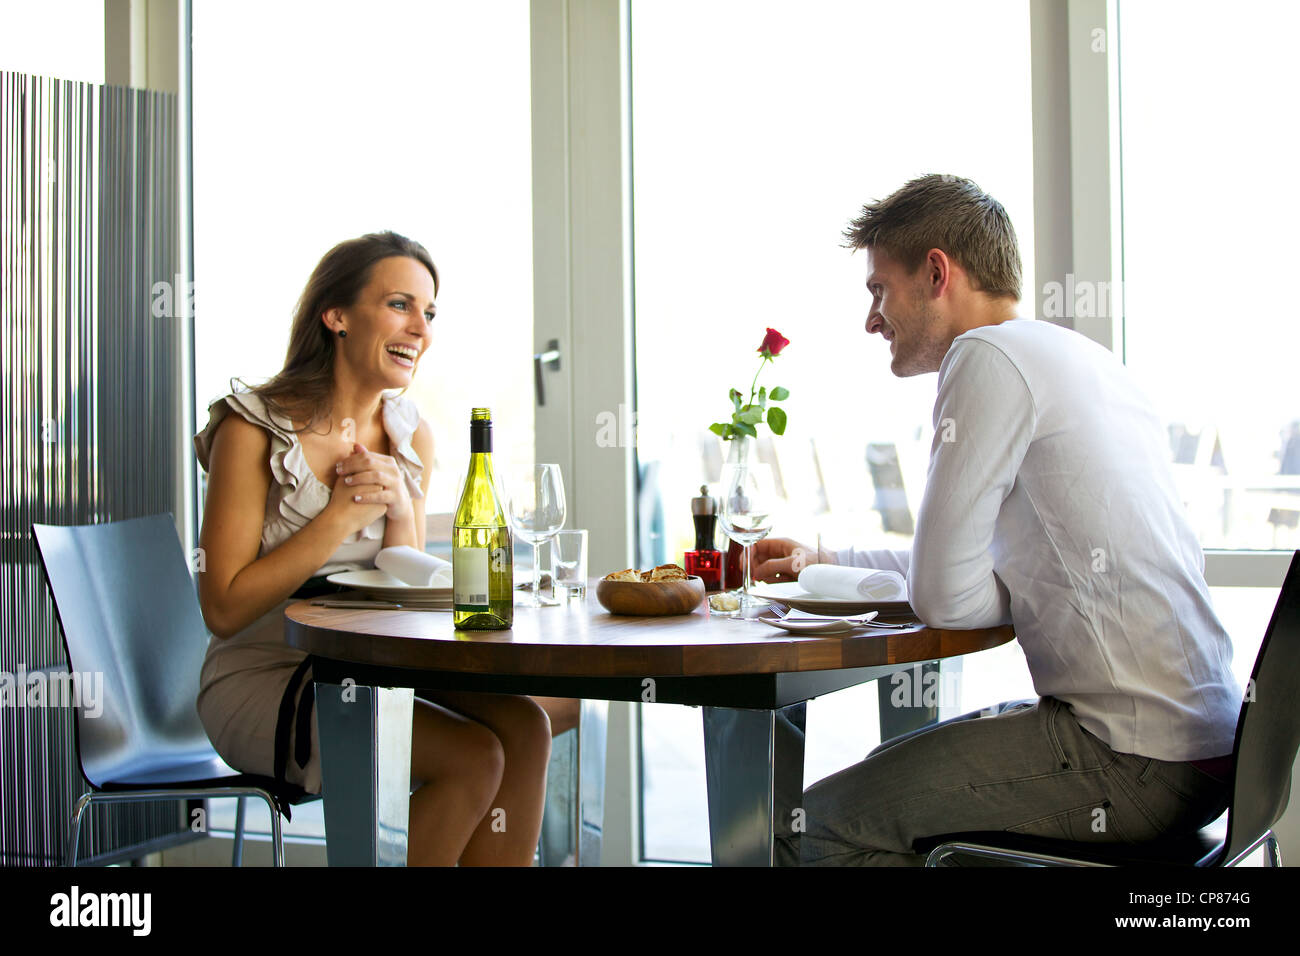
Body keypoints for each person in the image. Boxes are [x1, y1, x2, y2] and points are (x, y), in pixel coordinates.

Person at [753, 175, 1242, 866]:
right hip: (1207, 754)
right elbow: (954, 573)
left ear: (935, 272)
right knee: (883, 771)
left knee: (802, 828)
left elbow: (945, 597)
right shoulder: (1081, 360)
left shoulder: (986, 357)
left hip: (1130, 759)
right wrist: (823, 560)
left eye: (878, 290)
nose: (871, 319)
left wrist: (974, 584)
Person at [194, 231, 555, 865]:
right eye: (400, 305)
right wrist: (337, 519)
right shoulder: (251, 429)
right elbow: (223, 609)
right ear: (335, 316)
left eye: (429, 312)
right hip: (270, 675)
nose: (421, 328)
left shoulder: (409, 434)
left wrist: (397, 514)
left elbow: (404, 591)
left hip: (374, 671)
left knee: (526, 726)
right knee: (473, 758)